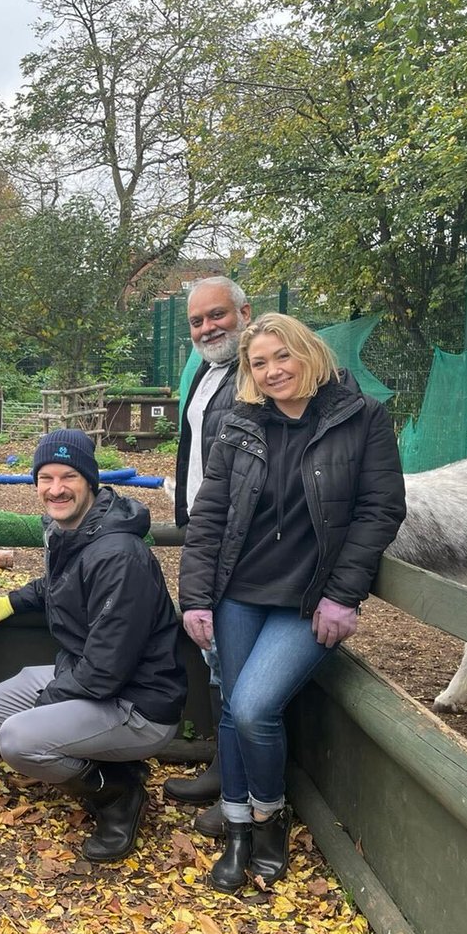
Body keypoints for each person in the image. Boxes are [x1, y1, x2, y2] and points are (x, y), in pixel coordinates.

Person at [179, 313, 405, 893]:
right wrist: (197, 597)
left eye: (283, 356)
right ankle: (237, 831)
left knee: (254, 706)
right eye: (259, 363)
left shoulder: (363, 420)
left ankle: (269, 818)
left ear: (309, 353)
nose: (273, 370)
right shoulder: (240, 424)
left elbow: (379, 511)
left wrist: (342, 595)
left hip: (308, 601)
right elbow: (208, 518)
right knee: (232, 706)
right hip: (240, 592)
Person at [0, 429, 187, 863]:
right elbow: (62, 585)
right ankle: (108, 766)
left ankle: (118, 796)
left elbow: (106, 671)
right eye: (45, 477)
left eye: (68, 476)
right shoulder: (73, 530)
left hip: (137, 702)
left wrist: (46, 703)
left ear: (90, 480)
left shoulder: (119, 554)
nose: (56, 488)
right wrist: (12, 601)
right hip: (85, 677)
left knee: (17, 738)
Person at [166, 276, 252, 836]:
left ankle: (241, 785)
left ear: (244, 312)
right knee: (216, 654)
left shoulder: (258, 372)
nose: (207, 328)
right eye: (197, 321)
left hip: (239, 544)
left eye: (216, 315)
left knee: (237, 661)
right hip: (204, 534)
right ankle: (223, 766)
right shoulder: (205, 371)